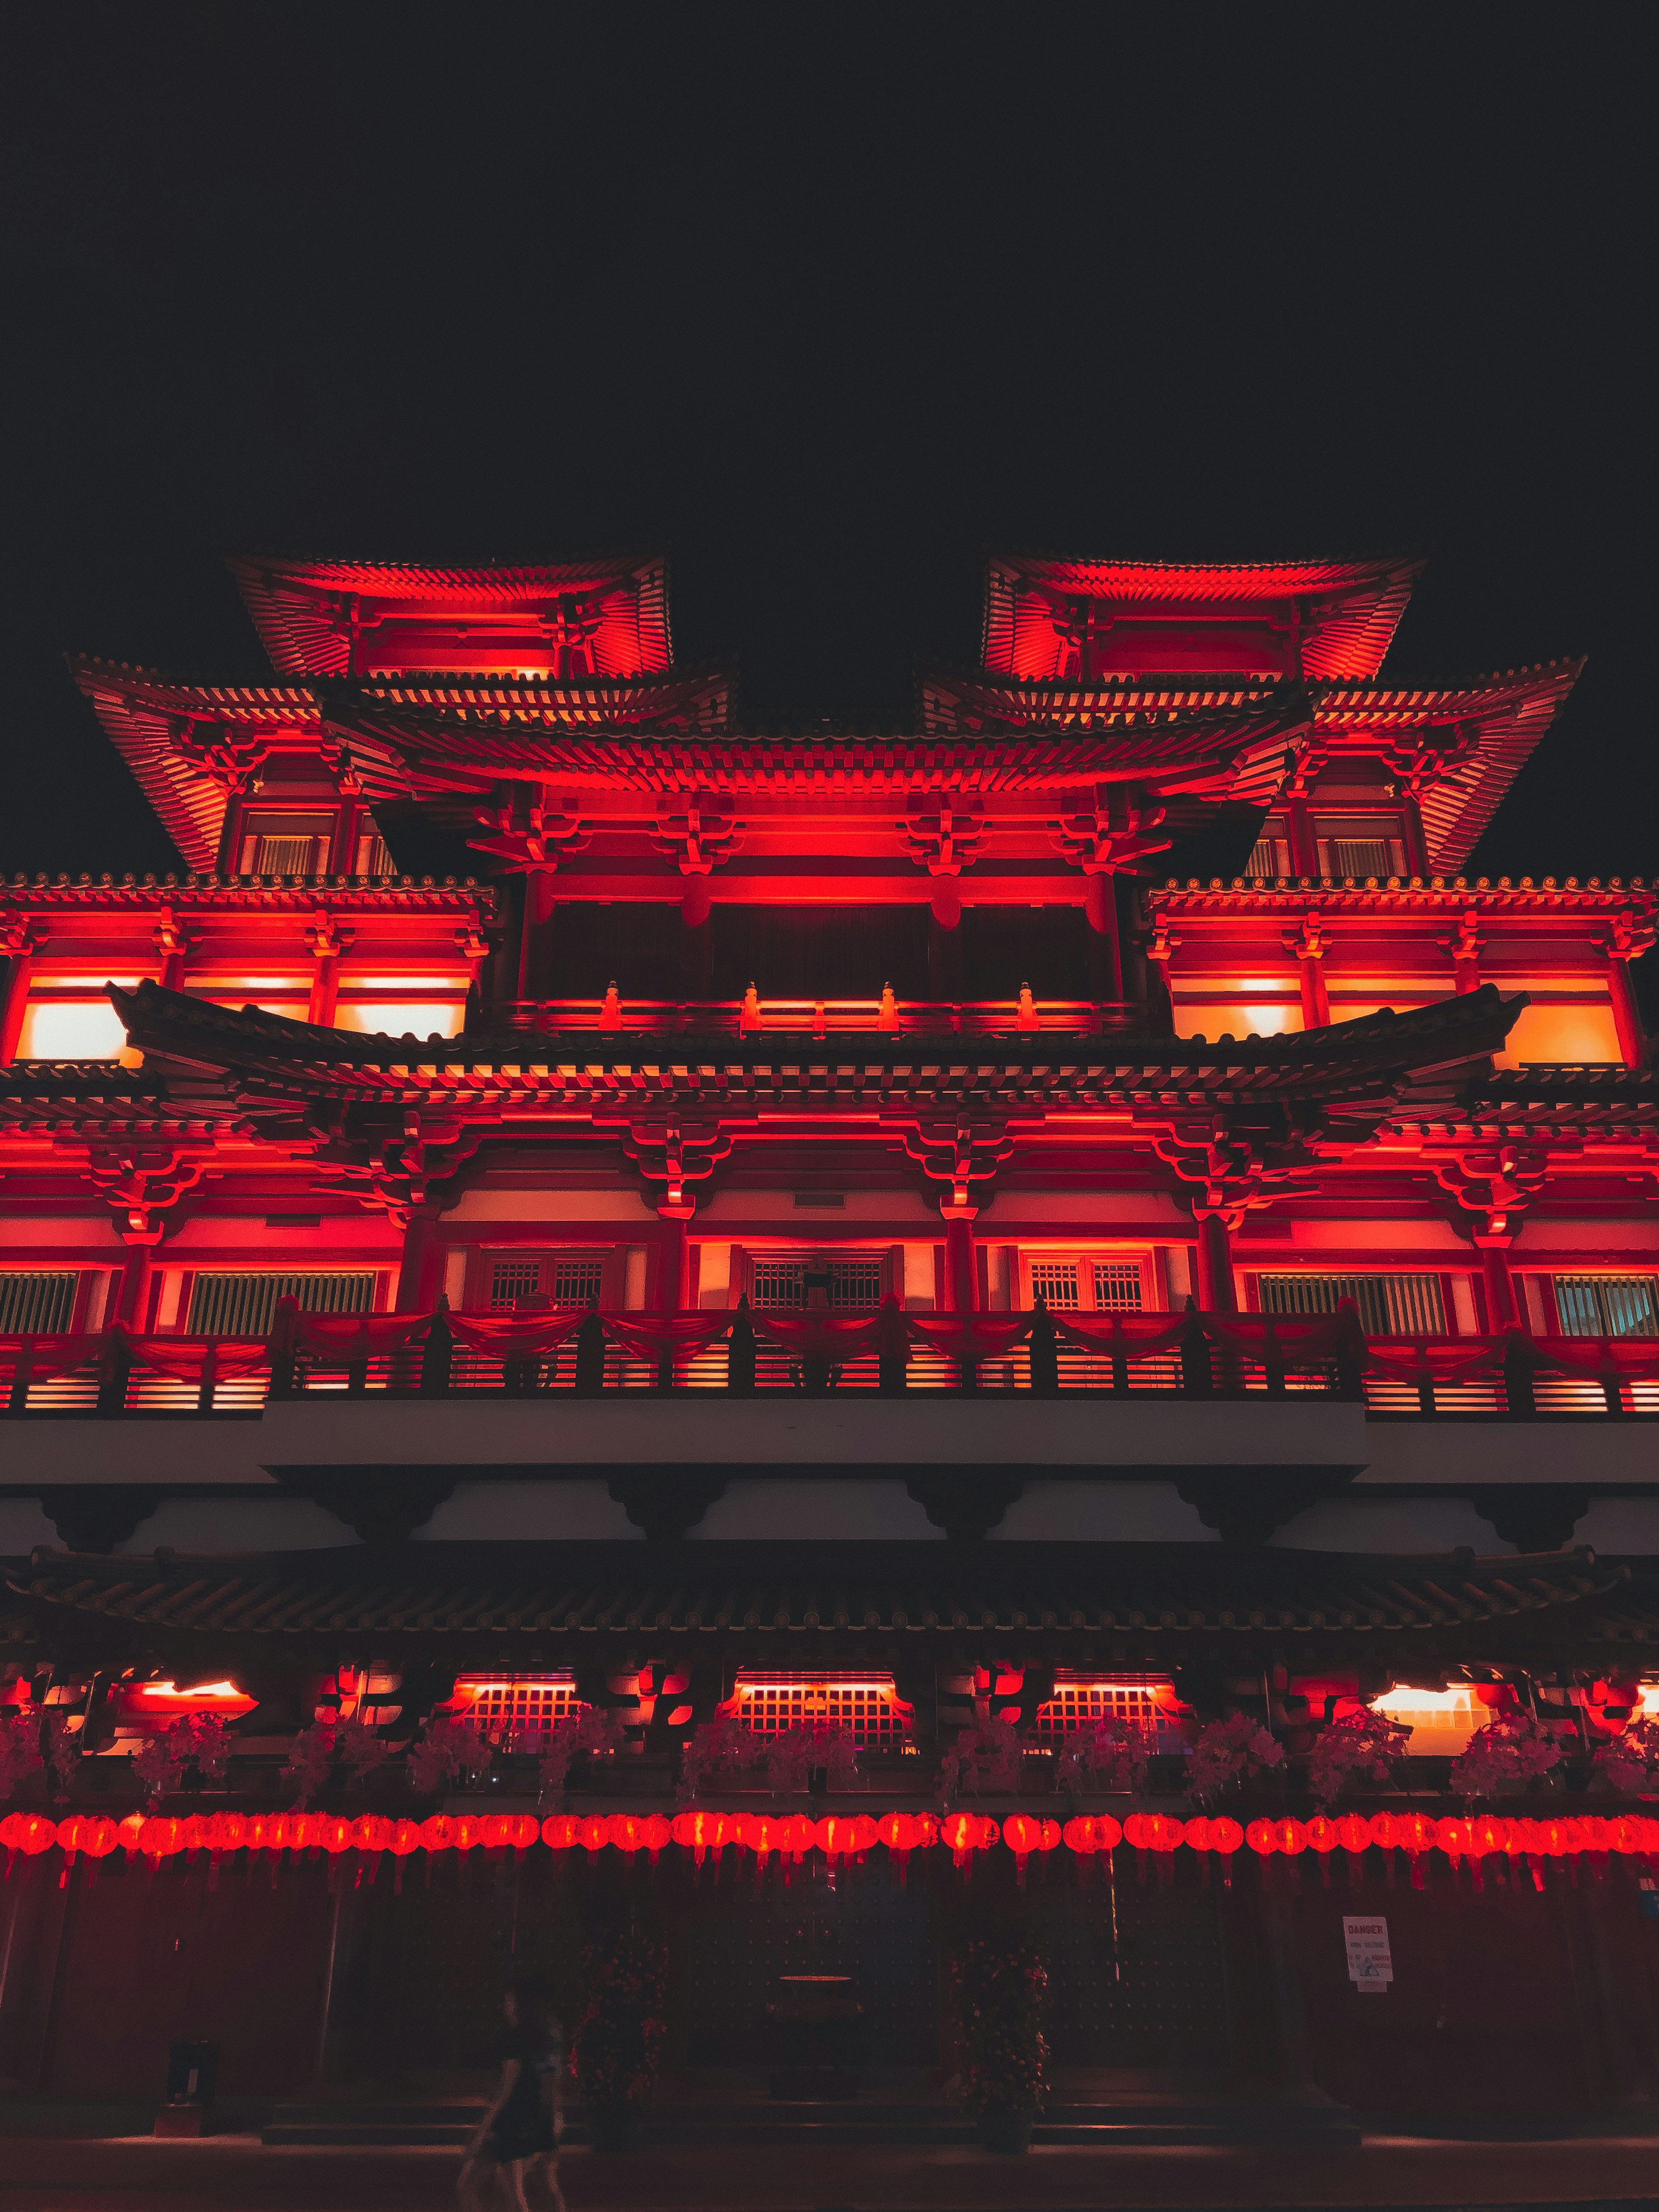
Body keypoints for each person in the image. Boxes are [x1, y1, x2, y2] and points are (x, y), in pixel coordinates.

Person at [458, 1977, 565, 2212]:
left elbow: (504, 2092)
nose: (505, 2006)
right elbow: (552, 2082)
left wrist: (481, 2132)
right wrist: (553, 2120)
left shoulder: (515, 2039)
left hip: (513, 2124)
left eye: (509, 2001)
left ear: (517, 2005)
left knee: (487, 2187)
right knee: (528, 2187)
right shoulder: (547, 2035)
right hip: (535, 2119)